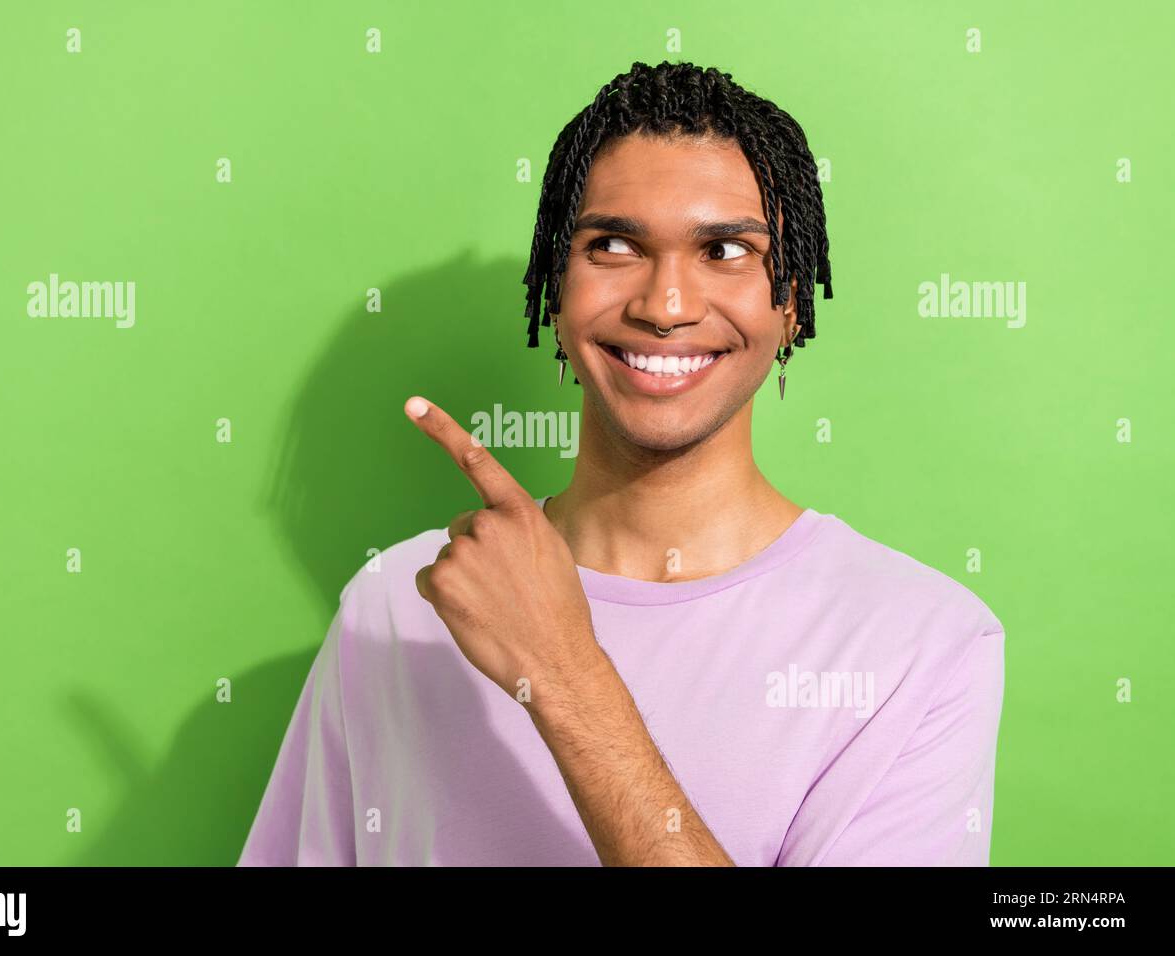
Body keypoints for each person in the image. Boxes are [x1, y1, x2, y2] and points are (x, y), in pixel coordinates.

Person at [238, 60, 1005, 866]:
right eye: (612, 244)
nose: (665, 305)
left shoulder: (923, 643)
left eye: (726, 250)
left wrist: (562, 671)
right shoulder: (395, 606)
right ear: (554, 289)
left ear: (790, 303)